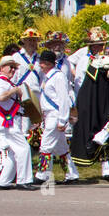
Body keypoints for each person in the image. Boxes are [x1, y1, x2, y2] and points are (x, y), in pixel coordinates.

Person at [69, 53, 109, 181]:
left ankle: (105, 169)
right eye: (104, 70)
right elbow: (86, 105)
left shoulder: (105, 83)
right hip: (91, 116)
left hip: (104, 113)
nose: (106, 72)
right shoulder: (89, 86)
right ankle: (70, 172)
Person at [32, 49, 78, 185]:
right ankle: (71, 174)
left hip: (55, 115)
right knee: (61, 148)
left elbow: (64, 99)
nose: (40, 65)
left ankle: (42, 175)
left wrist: (62, 120)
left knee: (45, 146)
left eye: (42, 63)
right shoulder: (48, 78)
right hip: (49, 115)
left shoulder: (58, 77)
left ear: (48, 63)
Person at [0, 56, 36, 189]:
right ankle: (24, 180)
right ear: (2, 68)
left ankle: (3, 181)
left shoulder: (7, 83)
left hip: (12, 120)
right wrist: (14, 90)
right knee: (23, 148)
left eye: (14, 68)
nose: (13, 70)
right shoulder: (1, 82)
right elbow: (1, 97)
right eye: (10, 67)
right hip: (8, 122)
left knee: (13, 152)